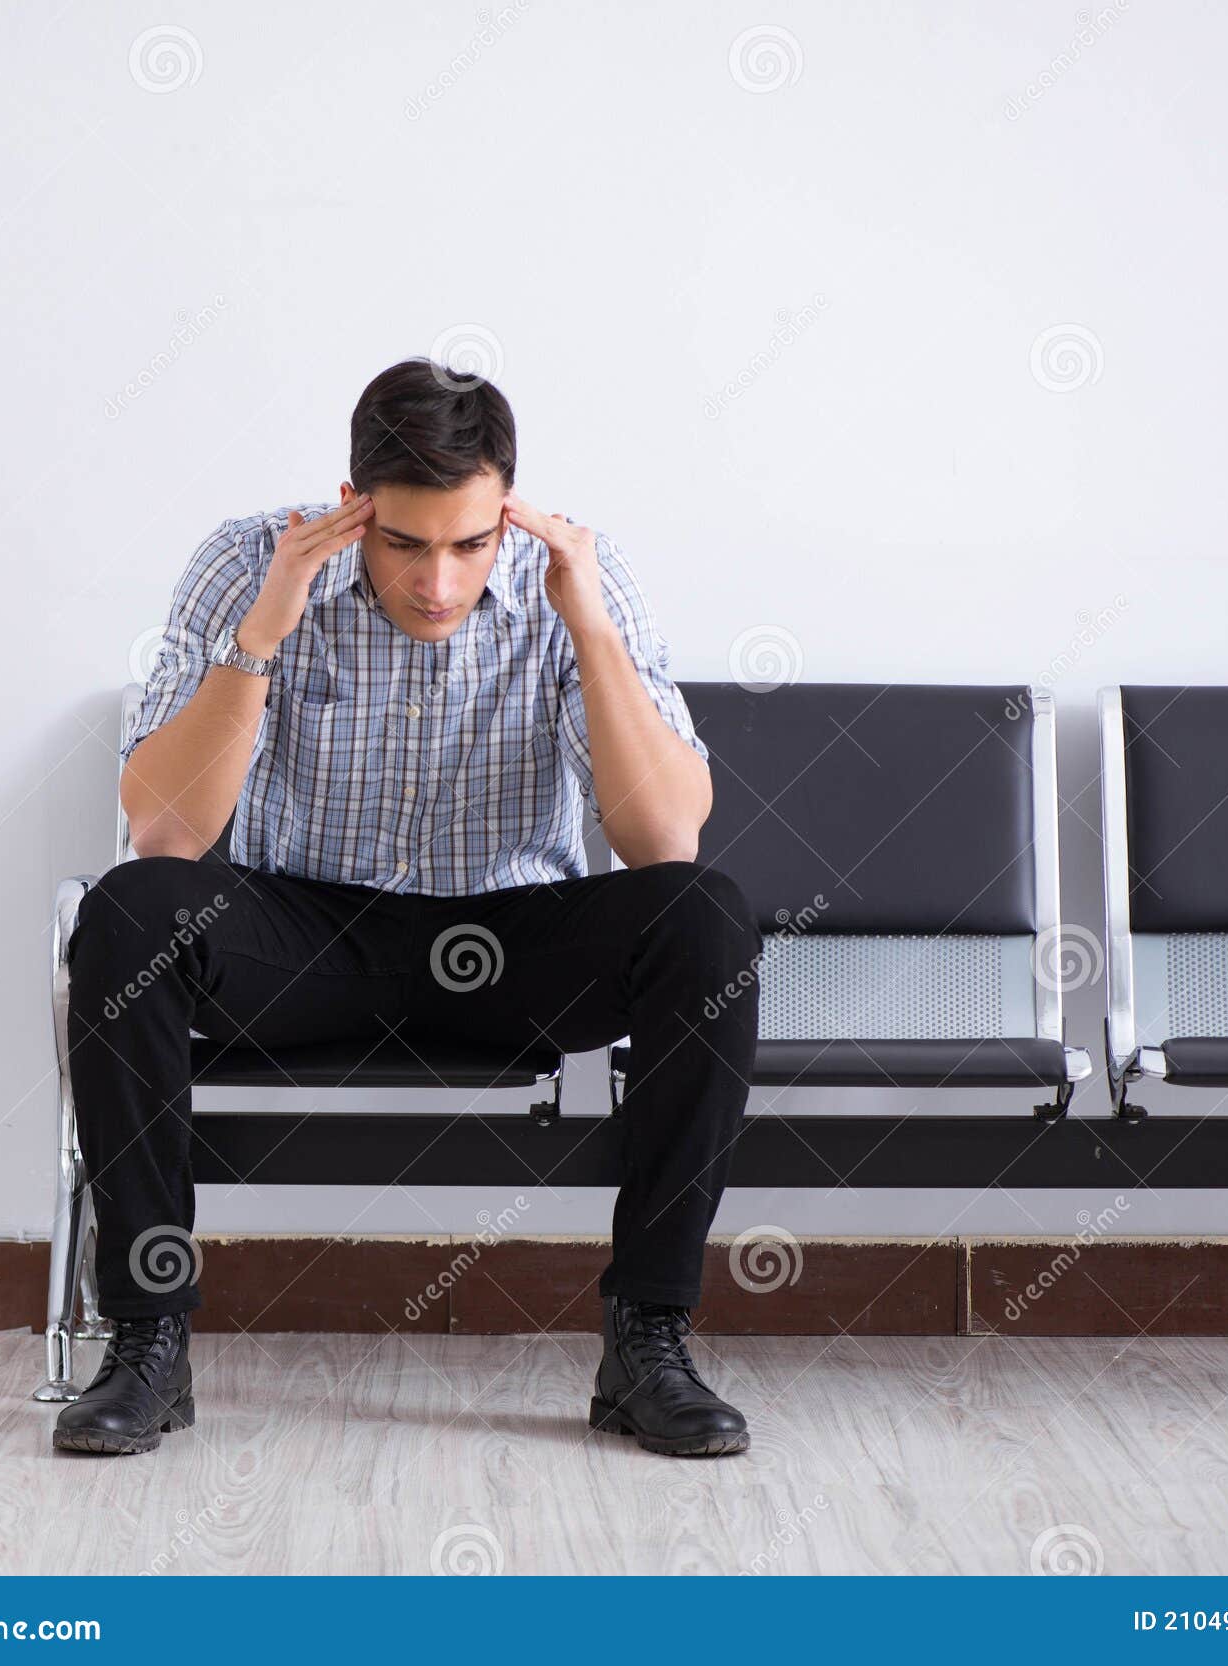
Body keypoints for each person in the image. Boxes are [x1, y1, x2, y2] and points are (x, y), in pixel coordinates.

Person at [54, 357, 762, 1460]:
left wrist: (590, 632)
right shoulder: (249, 562)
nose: (439, 582)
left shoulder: (573, 570)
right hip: (304, 939)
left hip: (508, 943)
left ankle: (647, 1342)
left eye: (469, 544)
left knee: (704, 916)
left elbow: (664, 838)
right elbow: (168, 833)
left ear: (506, 515)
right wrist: (265, 632)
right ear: (354, 504)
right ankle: (147, 1342)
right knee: (131, 909)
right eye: (405, 544)